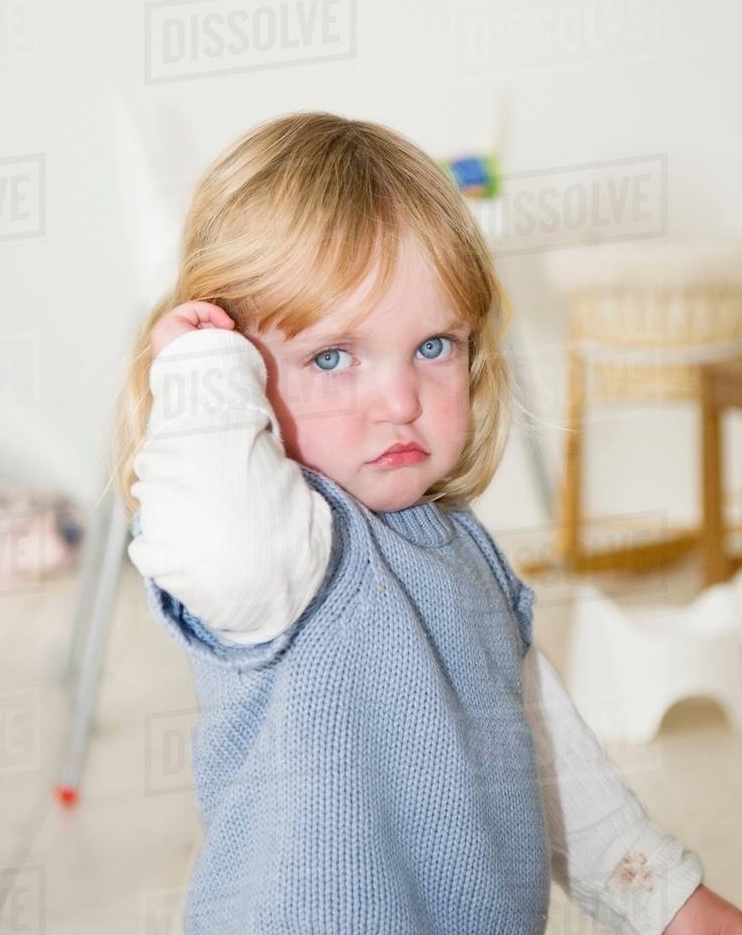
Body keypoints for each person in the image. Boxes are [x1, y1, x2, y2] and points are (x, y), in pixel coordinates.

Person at [114, 111, 742, 934]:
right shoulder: (283, 552)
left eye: (435, 346)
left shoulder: (463, 549)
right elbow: (225, 552)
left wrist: (665, 899)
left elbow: (543, 750)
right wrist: (198, 370)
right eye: (332, 357)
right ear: (242, 375)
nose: (403, 400)